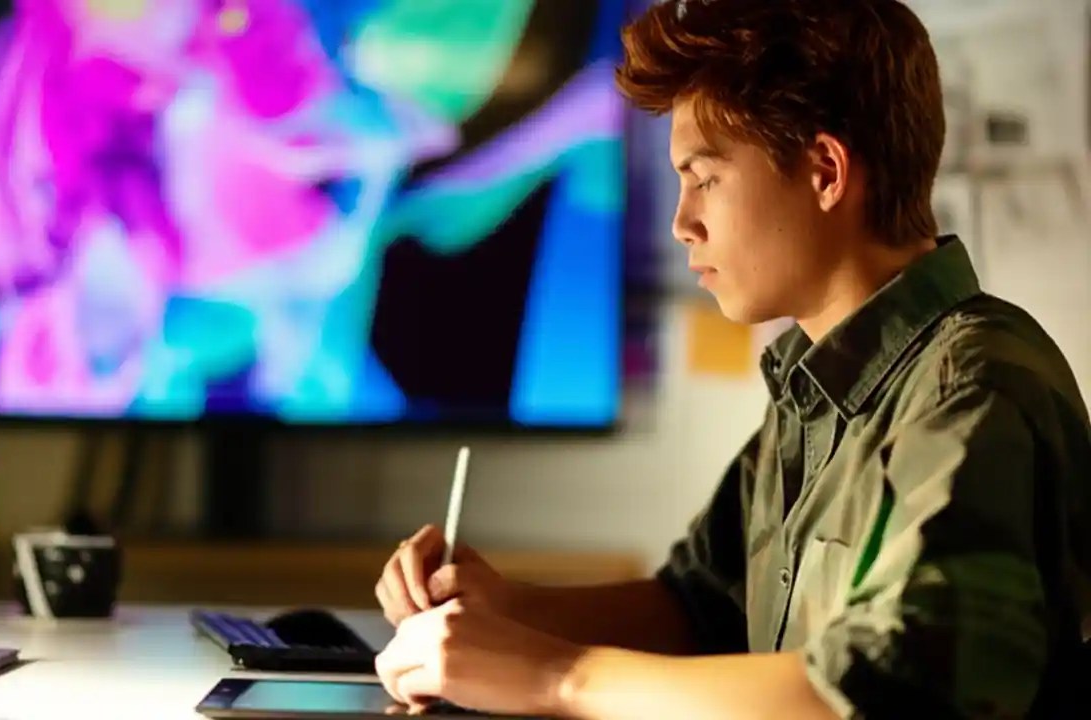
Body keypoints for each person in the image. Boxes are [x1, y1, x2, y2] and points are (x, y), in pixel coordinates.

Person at [371, 0, 1091, 717]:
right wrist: (505, 610)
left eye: (704, 177)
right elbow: (701, 608)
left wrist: (557, 679)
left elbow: (886, 693)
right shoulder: (818, 386)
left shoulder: (973, 391)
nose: (683, 223)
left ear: (824, 170)